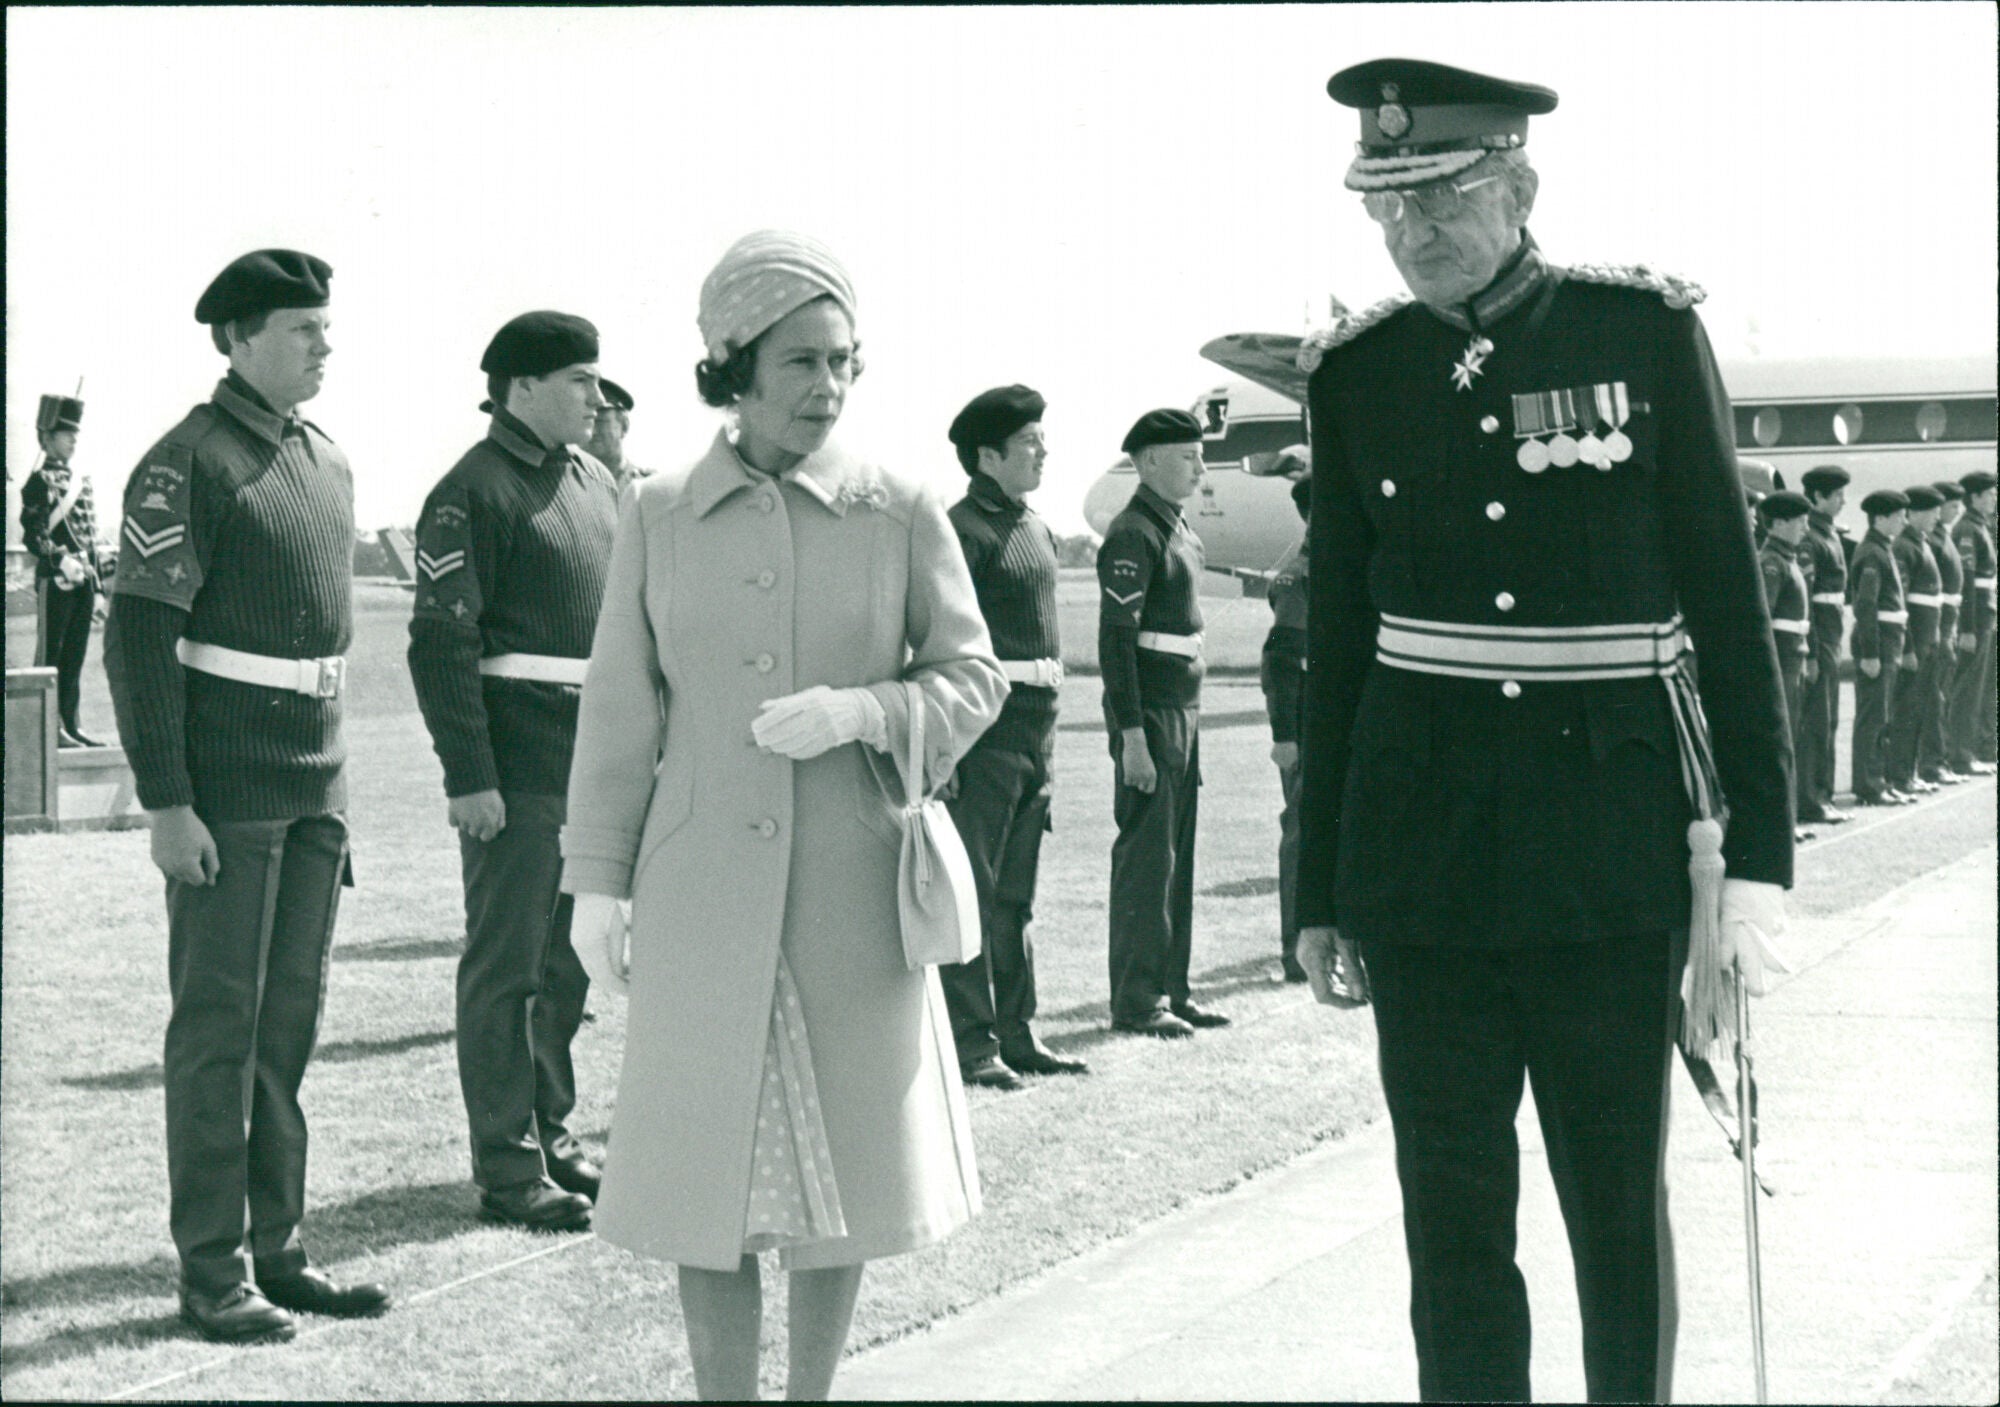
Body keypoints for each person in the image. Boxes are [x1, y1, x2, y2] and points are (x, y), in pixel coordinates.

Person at [1295, 60, 1794, 1403]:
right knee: (1450, 1225)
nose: (1416, 230)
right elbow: (1338, 650)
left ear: (1520, 185)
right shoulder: (1356, 374)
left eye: (1446, 193)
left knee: (1616, 1215)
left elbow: (1731, 612)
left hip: (1611, 857)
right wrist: (1318, 890)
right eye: (1388, 204)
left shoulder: (1635, 336)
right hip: (1422, 869)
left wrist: (1757, 864)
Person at [560, 230, 1005, 1401]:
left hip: (849, 895)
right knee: (702, 1181)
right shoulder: (653, 511)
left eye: (844, 361)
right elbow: (616, 710)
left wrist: (865, 709)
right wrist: (596, 882)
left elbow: (973, 676)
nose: (827, 388)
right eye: (800, 361)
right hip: (698, 891)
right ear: (731, 366)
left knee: (844, 1179)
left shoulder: (898, 507)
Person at [102, 249, 389, 1343]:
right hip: (226, 793)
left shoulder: (324, 459)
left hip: (316, 790)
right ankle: (212, 1270)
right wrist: (169, 802)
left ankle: (280, 1249)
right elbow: (140, 638)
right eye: (301, 329)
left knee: (287, 1029)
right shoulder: (187, 464)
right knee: (220, 1031)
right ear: (236, 340)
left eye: (326, 326)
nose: (323, 344)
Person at [407, 311, 617, 1232]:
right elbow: (441, 642)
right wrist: (469, 774)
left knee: (566, 966)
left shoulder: (596, 484)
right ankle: (506, 1164)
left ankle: (553, 1136)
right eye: (580, 379)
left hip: (589, 770)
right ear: (520, 388)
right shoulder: (471, 491)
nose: (598, 397)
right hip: (518, 769)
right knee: (507, 969)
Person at [936, 384, 1089, 1089]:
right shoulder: (959, 532)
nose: (1043, 451)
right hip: (986, 738)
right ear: (988, 454)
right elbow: (935, 645)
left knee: (1016, 897)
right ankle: (971, 1043)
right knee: (974, 890)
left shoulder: (1033, 527)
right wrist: (949, 749)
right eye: (1029, 442)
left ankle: (1016, 1032)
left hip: (1037, 734)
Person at [1099, 408, 1231, 1039]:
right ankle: (1136, 1000)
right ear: (1148, 461)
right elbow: (1116, 641)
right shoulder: (1133, 534)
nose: (1201, 470)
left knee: (1176, 859)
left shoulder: (1182, 533)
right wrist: (1131, 735)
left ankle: (1172, 988)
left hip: (1186, 708)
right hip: (1150, 711)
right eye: (1187, 457)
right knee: (1148, 860)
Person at [19, 392, 104, 745]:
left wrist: (97, 586)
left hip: (82, 581)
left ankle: (71, 724)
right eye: (66, 433)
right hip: (55, 581)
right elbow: (33, 536)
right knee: (50, 659)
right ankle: (49, 728)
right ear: (47, 438)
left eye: (75, 433)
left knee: (74, 658)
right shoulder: (38, 482)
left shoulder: (81, 482)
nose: (73, 439)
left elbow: (90, 538)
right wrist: (60, 559)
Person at [1260, 470, 1313, 983]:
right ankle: (1296, 948)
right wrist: (1284, 735)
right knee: (1303, 830)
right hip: (1308, 723)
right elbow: (1280, 658)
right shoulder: (1299, 576)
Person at [1758, 491, 1816, 840]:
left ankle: (1788, 819)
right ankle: (1781, 822)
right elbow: (1763, 618)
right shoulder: (1772, 563)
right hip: (1782, 660)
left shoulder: (1785, 559)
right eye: (1800, 521)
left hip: (1794, 656)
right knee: (1780, 741)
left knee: (1791, 737)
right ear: (1779, 523)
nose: (1805, 528)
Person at [1796, 465, 1853, 824]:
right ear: (1816, 497)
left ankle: (1824, 795)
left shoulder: (1828, 534)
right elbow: (1807, 603)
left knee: (1829, 720)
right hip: (1821, 637)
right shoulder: (1810, 539)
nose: (1842, 501)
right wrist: (1813, 653)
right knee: (1816, 722)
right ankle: (1811, 800)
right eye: (1836, 495)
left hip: (1833, 636)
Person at [1849, 489, 1912, 805]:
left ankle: (1879, 781)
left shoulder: (1882, 548)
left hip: (1891, 640)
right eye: (1899, 515)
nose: (1904, 520)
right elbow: (1866, 605)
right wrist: (1870, 652)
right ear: (1882, 517)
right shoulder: (1872, 552)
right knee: (1873, 716)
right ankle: (1869, 785)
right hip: (1880, 642)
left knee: (1882, 714)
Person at [1884, 484, 1944, 796]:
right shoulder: (1904, 547)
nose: (1937, 517)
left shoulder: (1920, 543)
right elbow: (1901, 602)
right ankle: (1898, 775)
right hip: (1915, 641)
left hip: (1927, 639)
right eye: (1932, 511)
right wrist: (1907, 647)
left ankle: (1910, 772)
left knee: (1919, 707)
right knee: (1906, 710)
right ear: (1916, 513)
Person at [1918, 480, 1971, 785]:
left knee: (1942, 695)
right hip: (1938, 628)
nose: (1955, 511)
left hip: (1947, 625)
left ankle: (1939, 759)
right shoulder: (1935, 542)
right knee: (1934, 698)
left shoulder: (1943, 538)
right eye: (1951, 506)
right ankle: (1932, 762)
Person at [1946, 470, 1997, 773]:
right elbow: (1965, 581)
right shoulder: (1968, 530)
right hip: (1975, 618)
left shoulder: (1981, 527)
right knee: (1968, 689)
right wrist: (1966, 628)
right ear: (1975, 497)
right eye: (1989, 494)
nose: (1994, 499)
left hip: (1986, 614)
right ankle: (1961, 756)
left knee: (1984, 686)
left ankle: (1981, 747)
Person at [588, 375, 650, 493]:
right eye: (587, 422)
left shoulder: (645, 487)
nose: (593, 431)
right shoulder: (563, 488)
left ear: (624, 426)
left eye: (600, 422)